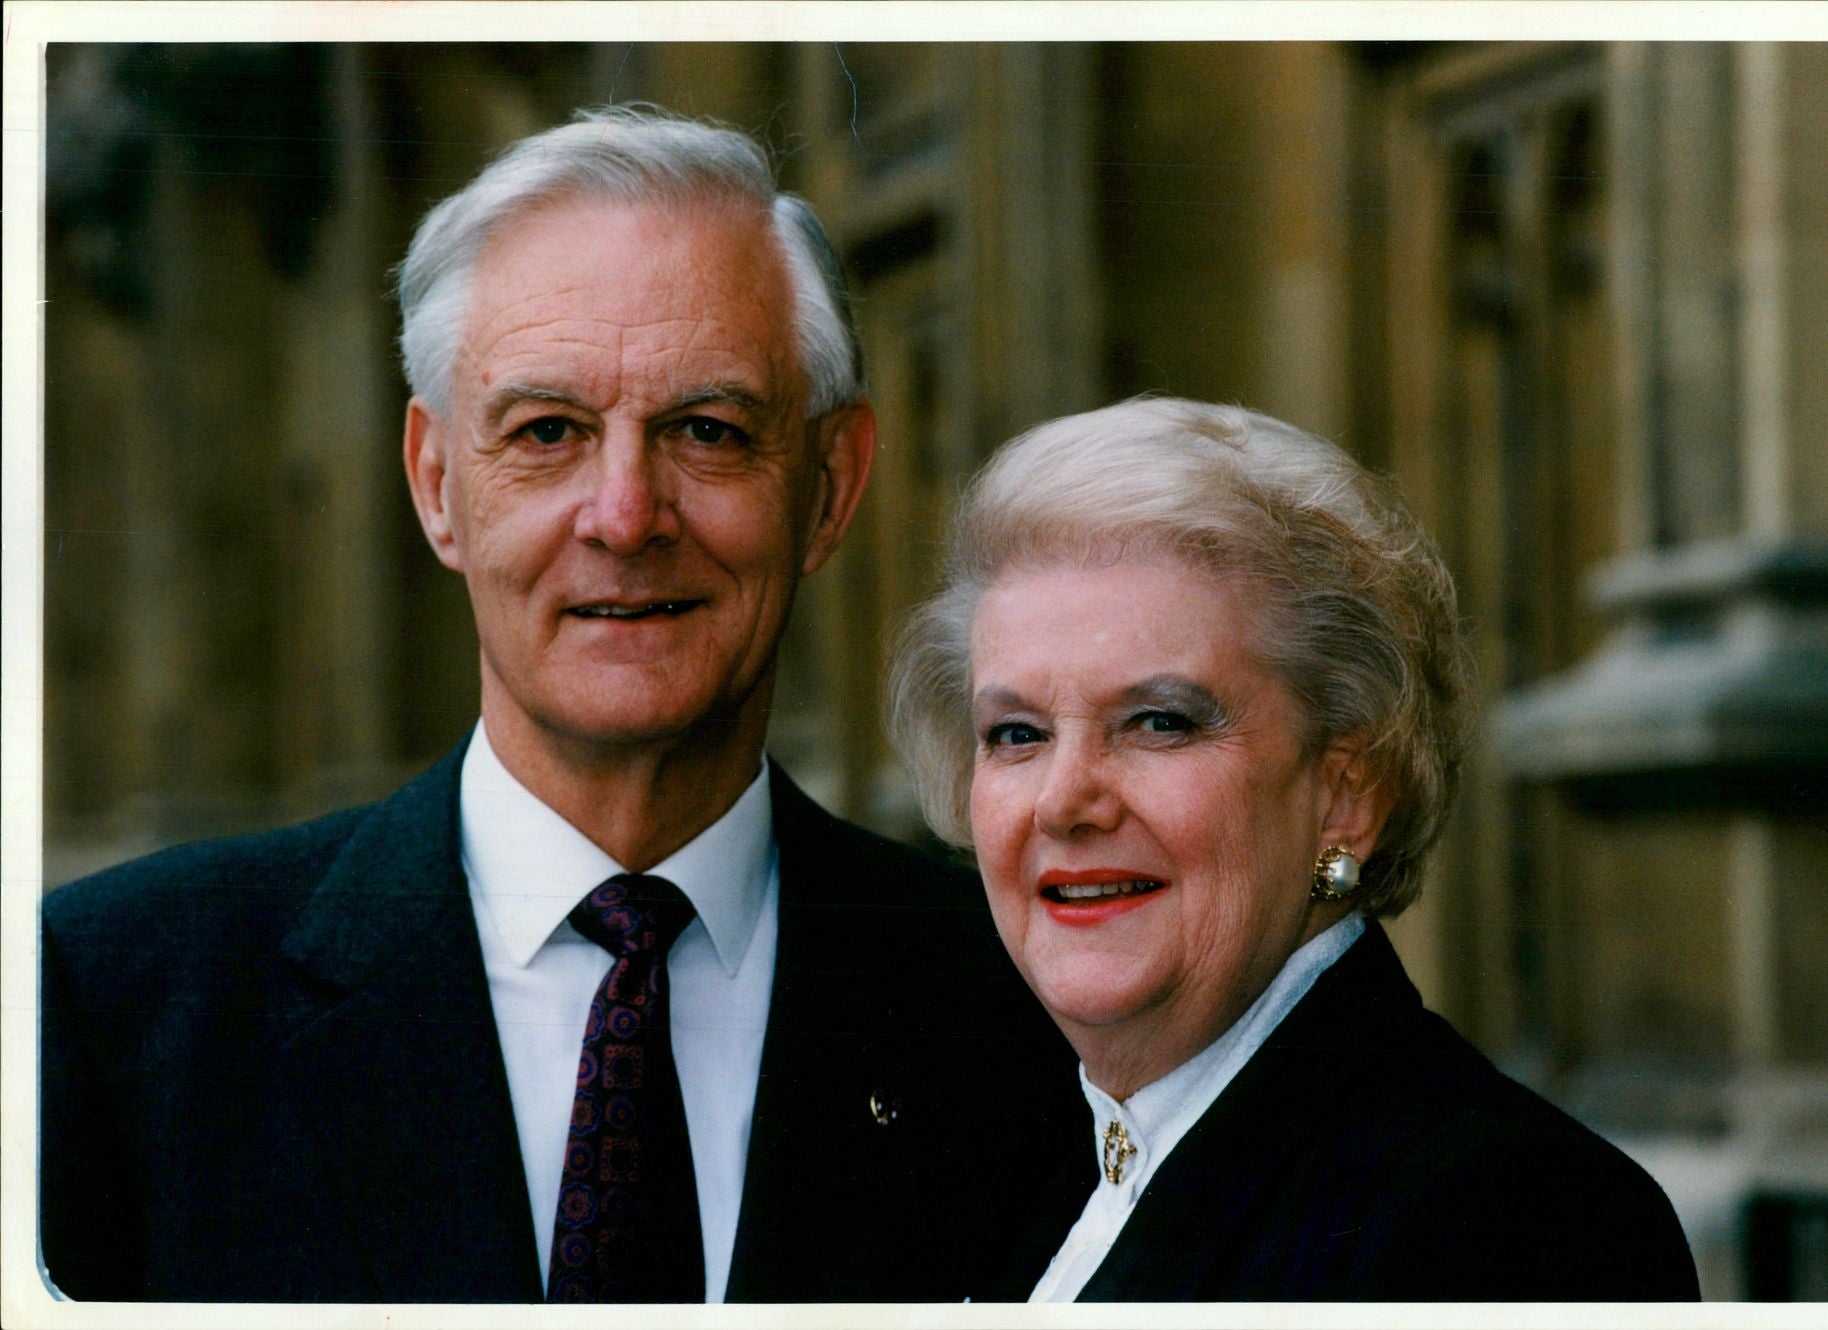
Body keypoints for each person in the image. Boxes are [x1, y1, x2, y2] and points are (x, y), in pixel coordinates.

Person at [38, 105, 1076, 1304]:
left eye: (707, 429)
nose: (625, 515)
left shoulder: (1029, 999)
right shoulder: (121, 1003)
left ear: (831, 487)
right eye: (547, 432)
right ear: (437, 486)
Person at [887, 397, 1702, 1301]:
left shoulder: (1508, 1221)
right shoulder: (1012, 1167)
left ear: (1346, 794)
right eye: (1016, 734)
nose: (1064, 800)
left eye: (1160, 721)